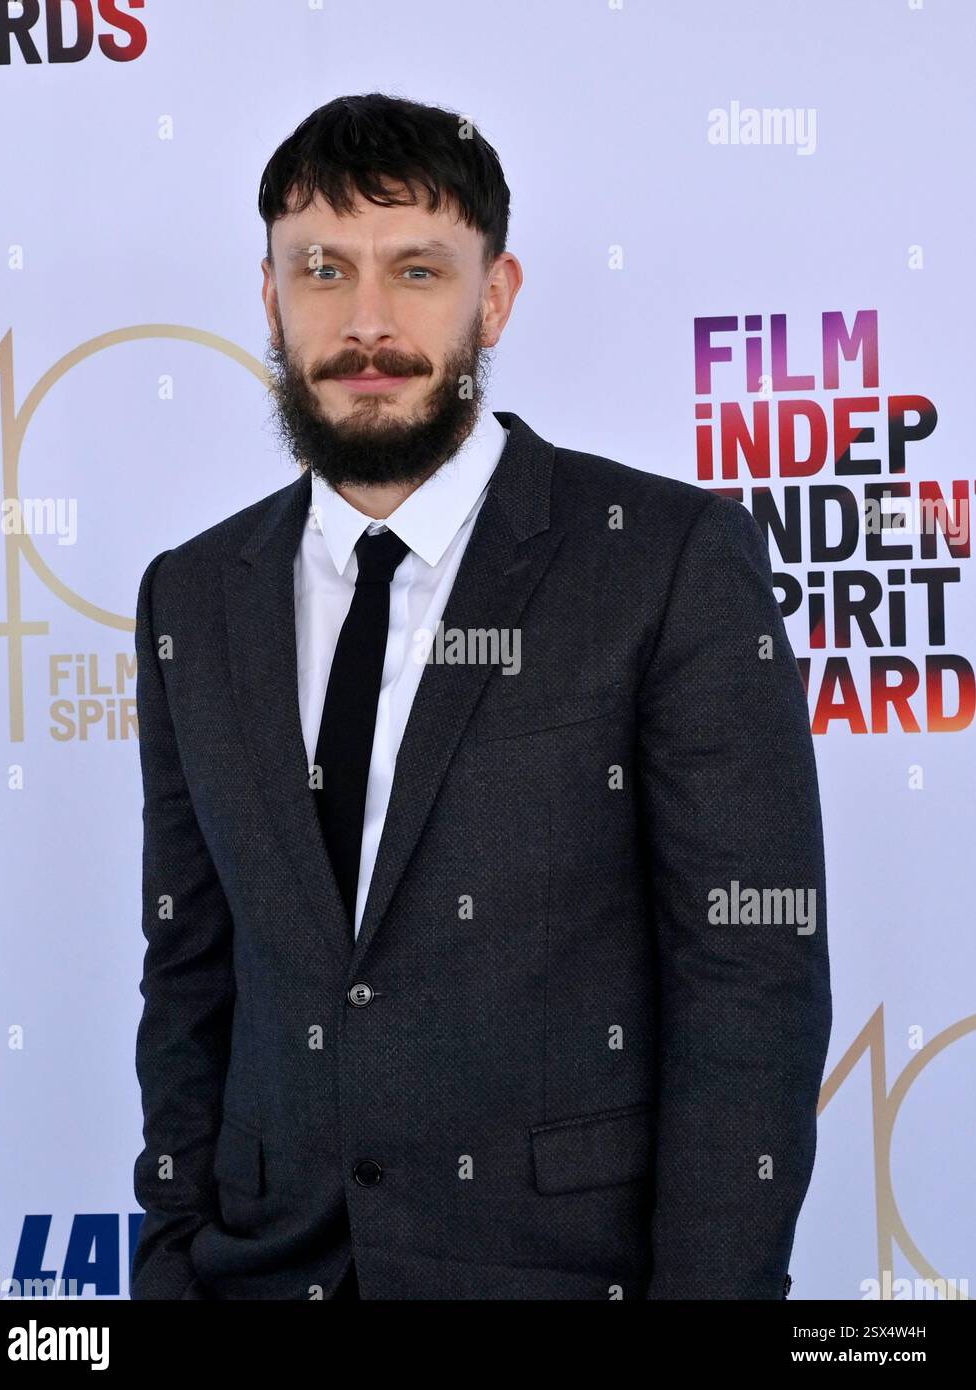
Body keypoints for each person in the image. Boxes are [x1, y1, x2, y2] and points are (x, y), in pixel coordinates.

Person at [130, 92, 832, 1301]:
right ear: (268, 296)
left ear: (493, 296)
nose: (366, 323)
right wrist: (169, 1258)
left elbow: (749, 981)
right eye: (321, 270)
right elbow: (188, 964)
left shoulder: (662, 559)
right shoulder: (192, 595)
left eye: (415, 270)